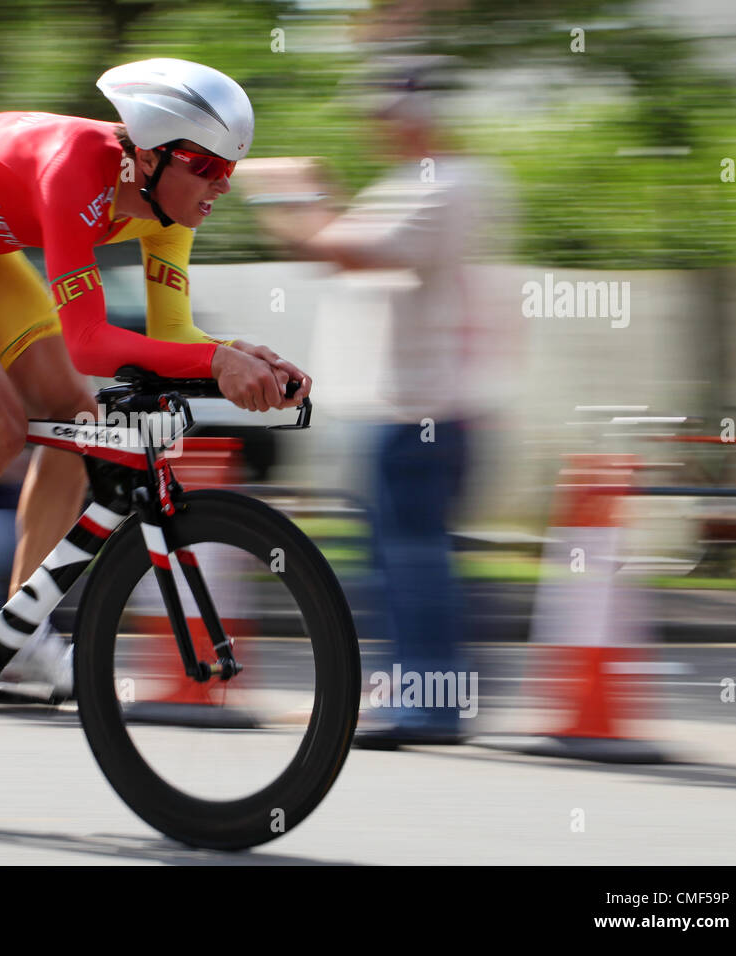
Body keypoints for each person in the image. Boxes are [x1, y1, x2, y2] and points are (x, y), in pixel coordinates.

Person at [0, 58, 312, 711]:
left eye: (231, 171)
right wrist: (218, 365)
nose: (221, 187)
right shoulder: (74, 171)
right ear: (155, 155)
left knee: (77, 423)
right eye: (209, 168)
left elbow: (172, 335)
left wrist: (241, 354)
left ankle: (19, 629)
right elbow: (87, 340)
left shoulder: (167, 211)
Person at [270, 59, 510, 745]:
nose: (375, 126)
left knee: (412, 559)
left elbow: (344, 250)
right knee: (391, 562)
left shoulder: (449, 186)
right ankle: (405, 690)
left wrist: (283, 195)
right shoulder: (419, 184)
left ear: (416, 114)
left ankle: (430, 704)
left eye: (386, 112)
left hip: (422, 410)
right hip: (399, 407)